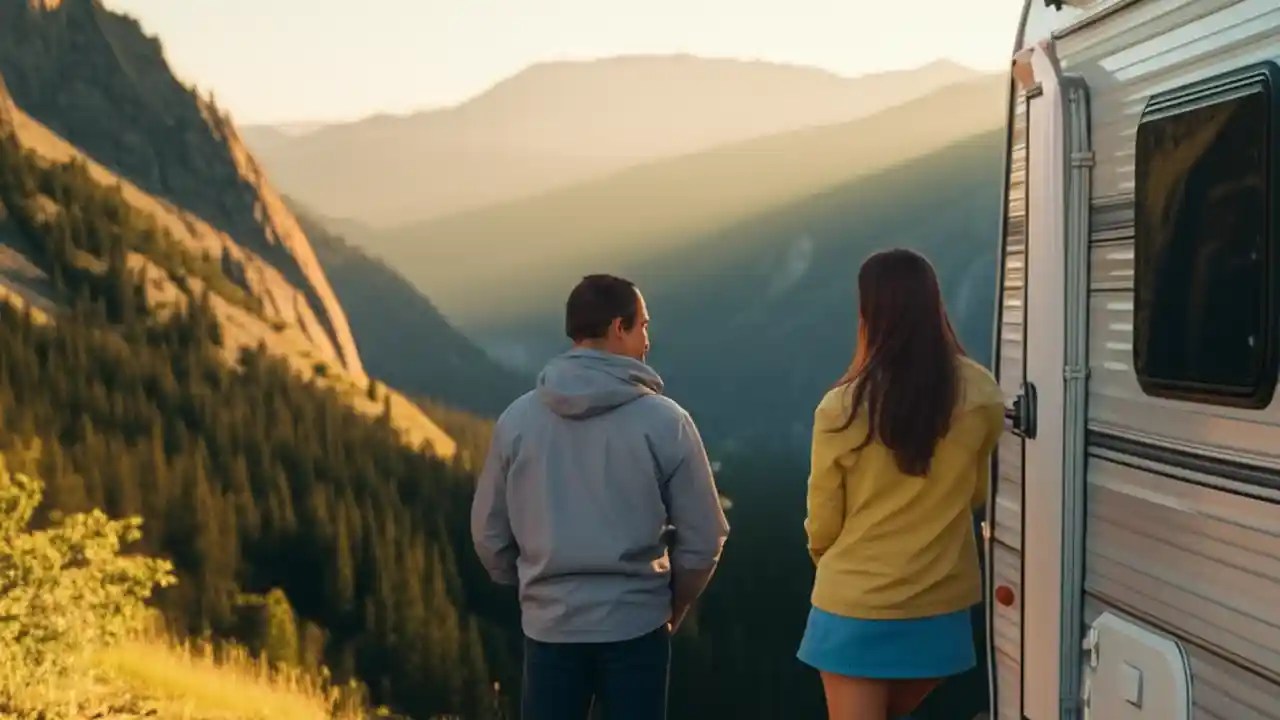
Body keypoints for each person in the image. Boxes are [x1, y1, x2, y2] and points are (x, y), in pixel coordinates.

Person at [471, 273, 730, 720]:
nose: (648, 339)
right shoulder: (666, 422)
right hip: (636, 628)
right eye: (643, 325)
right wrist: (674, 603)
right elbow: (705, 537)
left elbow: (489, 534)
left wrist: (534, 589)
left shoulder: (517, 421)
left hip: (549, 630)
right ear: (618, 328)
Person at [798, 249, 1003, 720]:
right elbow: (977, 492)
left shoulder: (843, 407)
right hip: (939, 606)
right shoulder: (981, 393)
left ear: (868, 314)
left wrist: (830, 561)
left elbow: (824, 522)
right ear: (934, 305)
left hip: (857, 605)